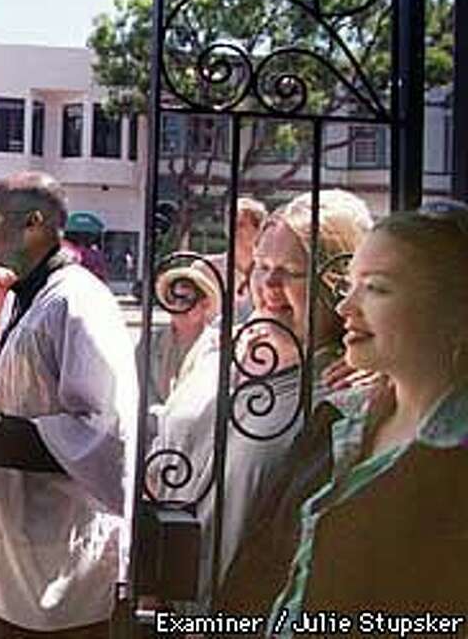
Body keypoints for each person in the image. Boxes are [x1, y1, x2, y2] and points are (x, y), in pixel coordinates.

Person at [218, 204, 468, 624]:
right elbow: (264, 562)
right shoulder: (338, 419)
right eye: (351, 285)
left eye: (376, 288)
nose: (345, 307)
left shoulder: (454, 456)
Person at [0, 172, 137, 638]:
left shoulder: (80, 303)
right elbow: (21, 397)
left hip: (50, 568)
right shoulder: (21, 298)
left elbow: (104, 434)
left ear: (36, 224)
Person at [152, 189, 371, 607]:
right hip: (166, 601)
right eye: (262, 266)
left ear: (336, 284)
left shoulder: (341, 391)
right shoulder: (219, 347)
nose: (269, 284)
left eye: (291, 272)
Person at [139, 263, 220, 404]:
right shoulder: (151, 342)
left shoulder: (215, 344)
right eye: (172, 300)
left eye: (186, 300)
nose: (177, 306)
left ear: (205, 304)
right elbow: (141, 390)